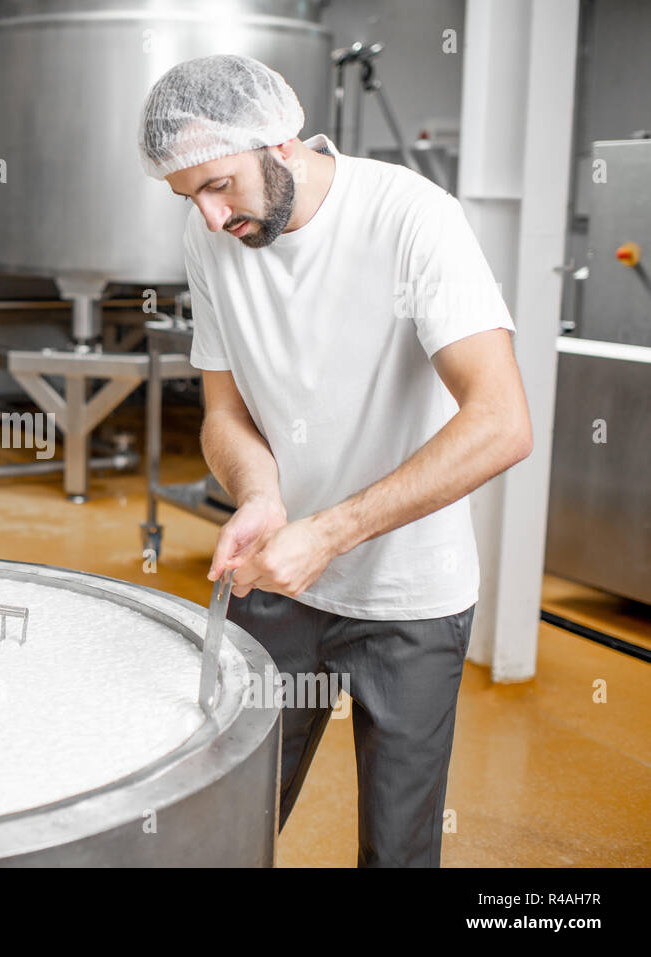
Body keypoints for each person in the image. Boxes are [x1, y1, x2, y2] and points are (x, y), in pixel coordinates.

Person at [138, 54, 532, 867]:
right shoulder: (210, 237)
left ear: (278, 142)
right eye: (189, 199)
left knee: (396, 851)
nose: (210, 218)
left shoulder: (412, 216)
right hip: (278, 576)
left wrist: (332, 532)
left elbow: (501, 422)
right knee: (222, 829)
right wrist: (258, 495)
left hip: (410, 594)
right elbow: (224, 413)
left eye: (218, 186)